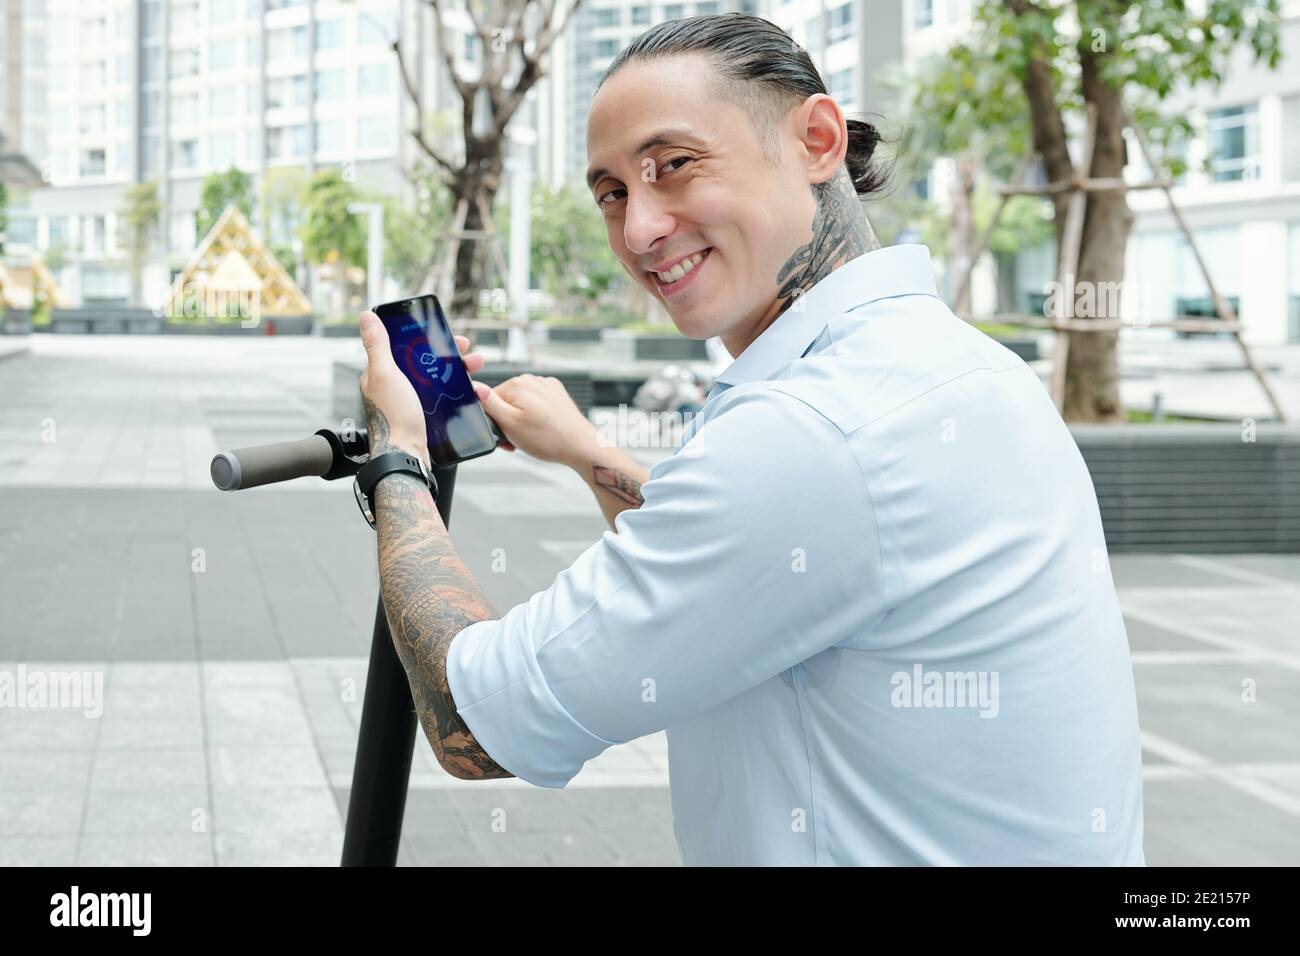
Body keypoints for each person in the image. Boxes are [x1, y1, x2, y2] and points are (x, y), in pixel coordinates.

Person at [357, 13, 1144, 865]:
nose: (639, 229)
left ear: (817, 139)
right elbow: (756, 560)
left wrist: (397, 460)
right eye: (614, 191)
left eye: (675, 166)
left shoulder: (817, 431)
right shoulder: (959, 369)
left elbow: (474, 722)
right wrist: (586, 451)